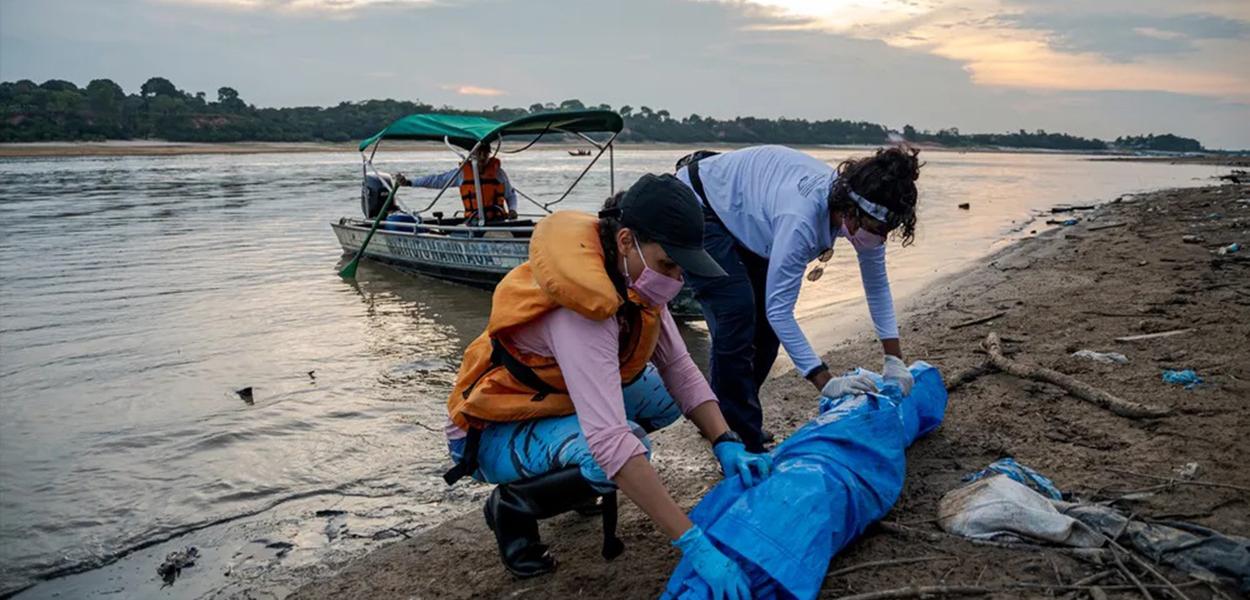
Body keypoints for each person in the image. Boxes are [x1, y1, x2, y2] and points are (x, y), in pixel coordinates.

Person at [443, 174, 768, 599]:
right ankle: (513, 506)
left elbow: (680, 370)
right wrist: (693, 543)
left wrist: (726, 441)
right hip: (490, 432)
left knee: (667, 399)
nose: (676, 280)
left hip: (550, 402)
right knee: (619, 449)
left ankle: (575, 476)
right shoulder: (582, 309)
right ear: (627, 241)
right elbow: (612, 441)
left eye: (682, 268)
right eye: (669, 264)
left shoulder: (634, 281)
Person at [676, 145, 922, 453]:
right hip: (700, 204)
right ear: (851, 212)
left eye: (888, 231)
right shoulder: (801, 219)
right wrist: (826, 382)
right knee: (736, 313)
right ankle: (738, 437)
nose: (881, 238)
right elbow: (781, 310)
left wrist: (894, 359)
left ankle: (727, 420)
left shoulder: (866, 212)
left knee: (766, 332)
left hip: (753, 217)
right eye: (877, 230)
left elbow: (877, 286)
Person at [395, 144, 518, 223]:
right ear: (472, 155)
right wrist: (410, 182)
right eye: (478, 153)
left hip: (498, 219)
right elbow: (437, 180)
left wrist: (512, 209)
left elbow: (510, 194)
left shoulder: (499, 173)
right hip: (473, 220)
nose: (482, 157)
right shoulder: (462, 173)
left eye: (485, 153)